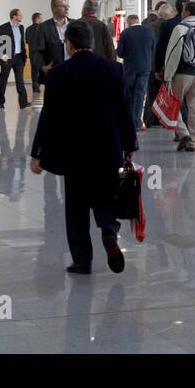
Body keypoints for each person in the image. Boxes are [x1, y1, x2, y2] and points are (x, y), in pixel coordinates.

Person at [28, 18, 137, 276]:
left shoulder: (58, 75)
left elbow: (49, 117)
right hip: (107, 148)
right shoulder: (113, 69)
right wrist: (129, 143)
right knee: (104, 196)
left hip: (73, 151)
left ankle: (82, 260)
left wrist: (38, 153)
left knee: (75, 208)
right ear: (91, 42)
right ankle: (109, 232)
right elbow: (125, 110)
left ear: (68, 44)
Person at [163, 1, 195, 152]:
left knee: (173, 105)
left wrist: (168, 76)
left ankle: (183, 133)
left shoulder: (180, 29)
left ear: (185, 12)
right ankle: (193, 140)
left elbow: (172, 54)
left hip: (181, 74)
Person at [116, 13, 155, 132]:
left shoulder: (125, 33)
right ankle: (137, 122)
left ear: (129, 22)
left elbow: (120, 53)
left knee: (128, 94)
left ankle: (128, 122)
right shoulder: (149, 32)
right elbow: (153, 48)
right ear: (138, 20)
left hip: (130, 68)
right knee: (139, 94)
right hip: (145, 67)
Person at [0, 8, 30, 109]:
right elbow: (0, 43)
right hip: (8, 57)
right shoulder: (3, 27)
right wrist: (4, 57)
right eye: (20, 15)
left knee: (20, 80)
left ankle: (23, 102)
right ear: (14, 16)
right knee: (3, 80)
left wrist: (25, 56)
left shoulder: (21, 27)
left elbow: (21, 43)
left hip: (19, 57)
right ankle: (1, 101)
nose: (21, 17)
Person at [37, 0, 71, 81]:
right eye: (63, 6)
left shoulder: (75, 24)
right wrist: (42, 67)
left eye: (68, 6)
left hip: (72, 68)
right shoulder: (43, 27)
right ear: (53, 8)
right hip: (54, 70)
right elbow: (38, 50)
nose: (67, 9)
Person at [24, 12, 45, 99]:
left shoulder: (28, 29)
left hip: (32, 53)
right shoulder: (42, 28)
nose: (42, 20)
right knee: (41, 69)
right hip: (40, 52)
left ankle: (35, 87)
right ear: (37, 18)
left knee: (34, 69)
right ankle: (38, 85)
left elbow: (27, 41)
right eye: (41, 18)